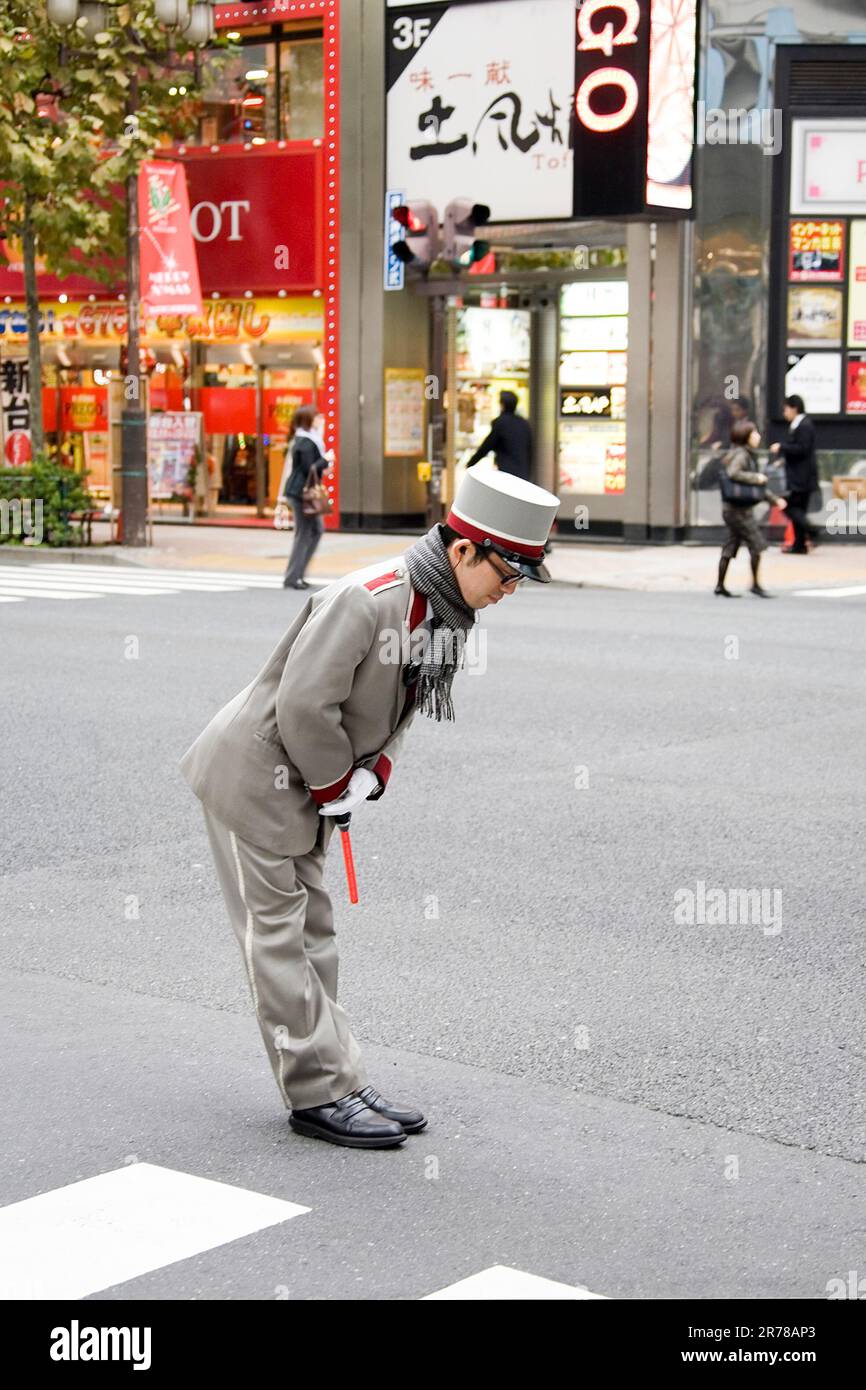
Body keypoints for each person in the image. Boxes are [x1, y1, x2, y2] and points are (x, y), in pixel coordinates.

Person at [179, 467, 560, 1151]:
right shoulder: (369, 599)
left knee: (314, 932)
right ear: (464, 550)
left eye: (522, 579)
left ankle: (340, 1075)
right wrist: (335, 785)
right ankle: (316, 1092)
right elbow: (303, 706)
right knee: (278, 940)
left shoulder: (444, 607)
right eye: (509, 573)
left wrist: (373, 772)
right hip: (258, 779)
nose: (510, 591)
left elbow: (400, 707)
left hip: (310, 780)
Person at [716, 419, 787, 598]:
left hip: (732, 509)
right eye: (754, 433)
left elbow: (755, 490)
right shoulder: (742, 455)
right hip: (739, 510)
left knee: (730, 545)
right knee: (756, 544)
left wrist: (773, 499)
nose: (758, 436)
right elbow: (735, 474)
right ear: (745, 436)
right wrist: (756, 477)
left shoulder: (742, 453)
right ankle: (755, 585)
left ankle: (720, 585)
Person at [280, 406, 331, 589]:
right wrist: (325, 460)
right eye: (317, 416)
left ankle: (298, 574)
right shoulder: (306, 441)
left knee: (315, 530)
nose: (320, 419)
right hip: (300, 493)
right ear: (309, 419)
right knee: (304, 533)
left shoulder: (306, 438)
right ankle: (292, 577)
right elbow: (308, 467)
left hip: (300, 492)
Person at [769, 394, 820, 554]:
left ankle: (810, 529)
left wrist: (782, 447)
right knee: (799, 508)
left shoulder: (804, 425)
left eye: (786, 409)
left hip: (802, 476)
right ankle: (800, 545)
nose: (784, 413)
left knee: (789, 506)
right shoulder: (799, 425)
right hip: (800, 475)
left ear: (794, 408)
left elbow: (802, 448)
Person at [465, 389, 533, 480]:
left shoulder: (500, 423)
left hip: (506, 473)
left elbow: (486, 446)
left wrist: (470, 463)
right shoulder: (524, 423)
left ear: (502, 405)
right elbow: (530, 449)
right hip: (523, 473)